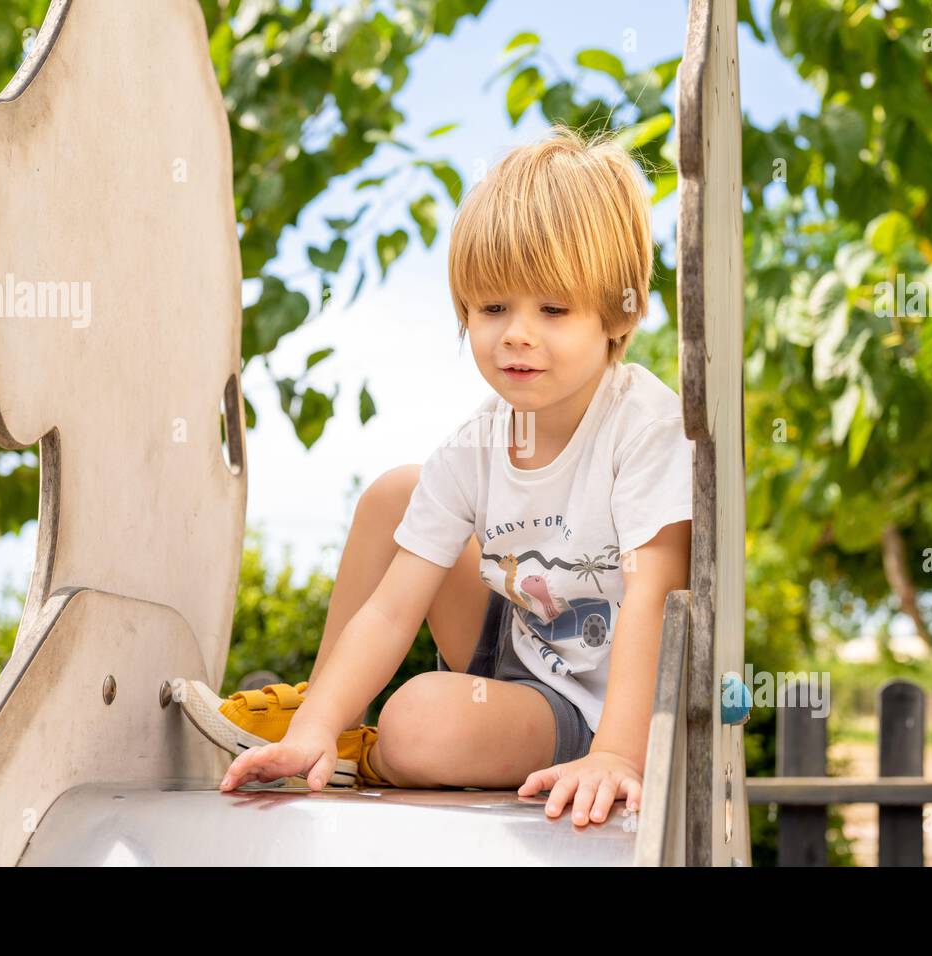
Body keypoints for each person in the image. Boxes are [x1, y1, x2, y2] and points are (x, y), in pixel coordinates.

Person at [181, 123, 693, 826]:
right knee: (396, 493)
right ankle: (325, 722)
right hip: (514, 652)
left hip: (589, 709)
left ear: (614, 313)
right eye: (492, 307)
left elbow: (654, 600)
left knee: (418, 721)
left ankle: (374, 750)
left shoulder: (645, 428)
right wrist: (315, 726)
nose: (516, 333)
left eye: (552, 308)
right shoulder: (477, 444)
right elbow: (394, 607)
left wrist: (618, 755)